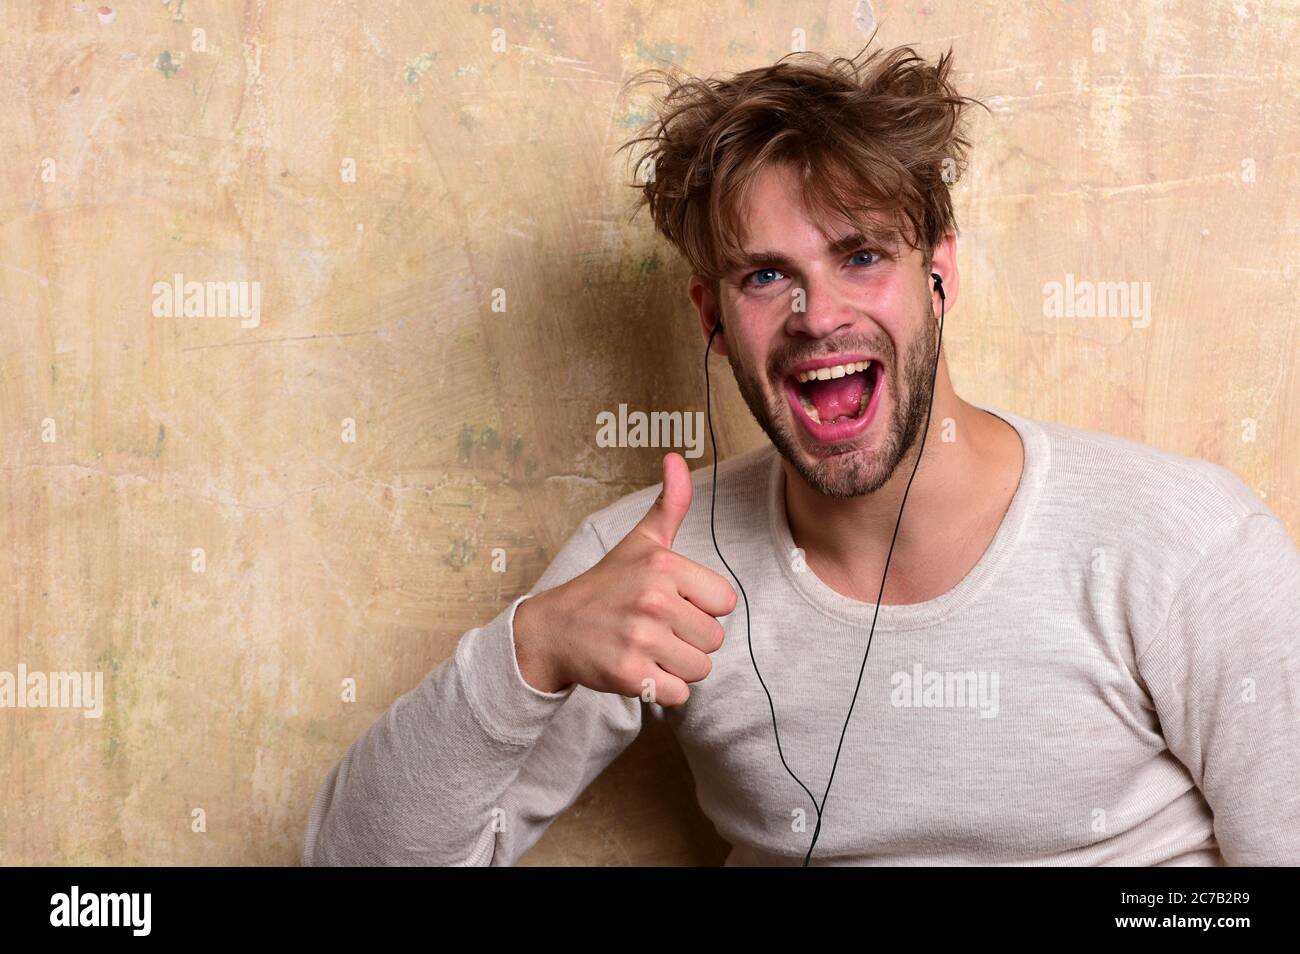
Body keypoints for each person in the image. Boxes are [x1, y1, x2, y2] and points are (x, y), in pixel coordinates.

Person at [302, 43, 1300, 866]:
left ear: (937, 274)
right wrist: (529, 650)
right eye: (765, 274)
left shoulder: (1184, 547)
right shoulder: (654, 567)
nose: (816, 314)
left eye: (860, 255)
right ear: (710, 316)